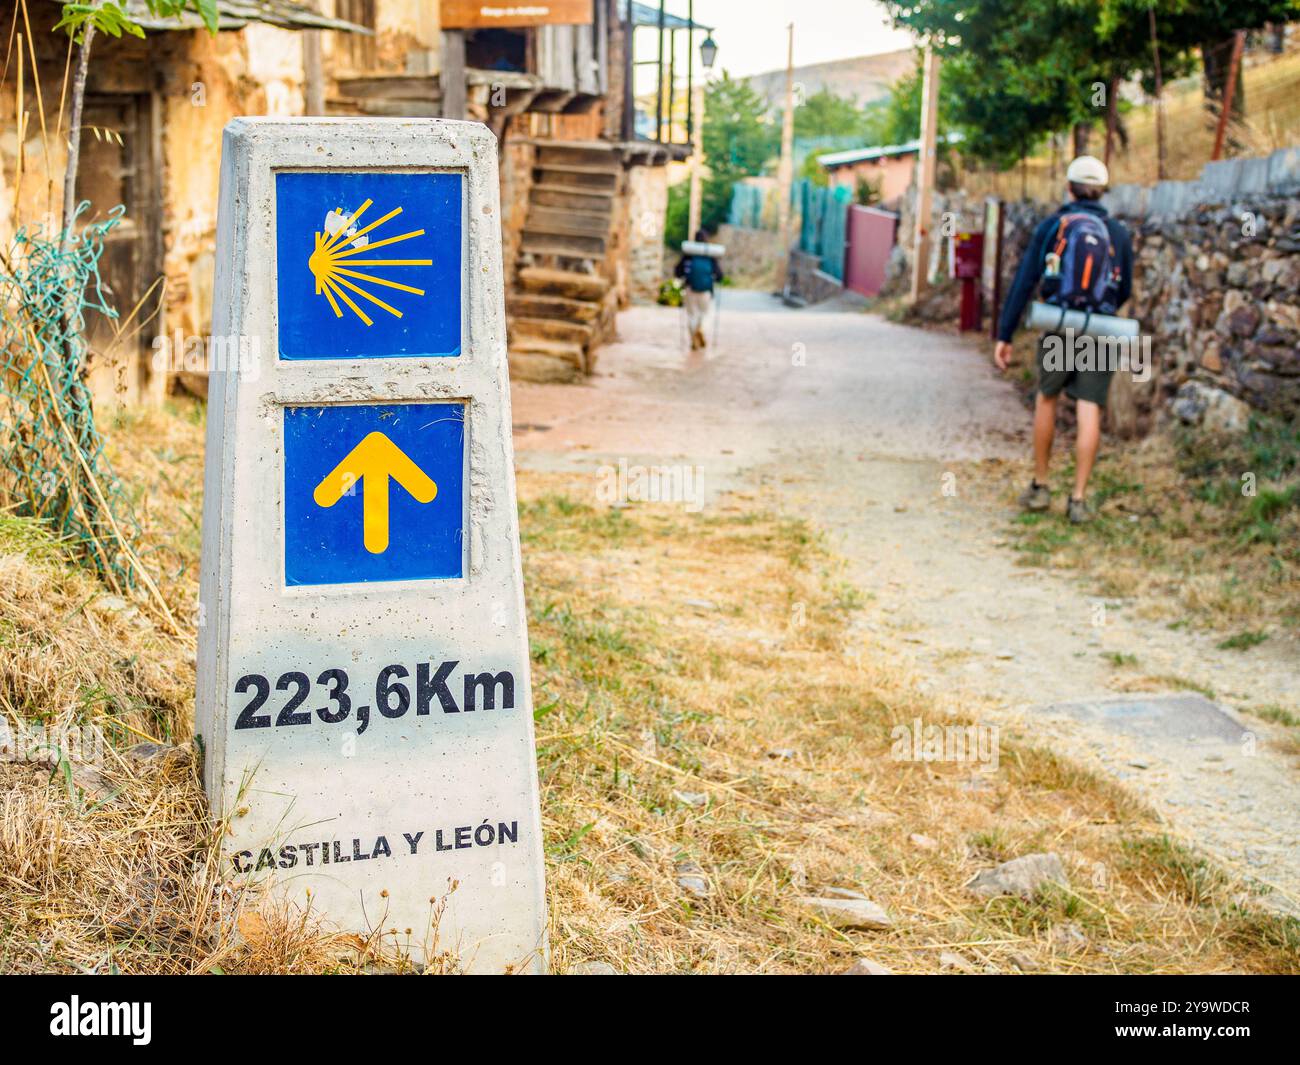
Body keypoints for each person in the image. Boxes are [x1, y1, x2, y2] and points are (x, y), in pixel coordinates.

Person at [993, 155, 1133, 524]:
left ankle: (1040, 487)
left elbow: (1025, 281)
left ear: (1068, 187)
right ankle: (1079, 499)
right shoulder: (1117, 233)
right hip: (1101, 329)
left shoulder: (1053, 225)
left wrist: (1005, 334)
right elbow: (1125, 289)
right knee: (1090, 409)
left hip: (1058, 325)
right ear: (1103, 192)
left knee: (1047, 399)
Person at [675, 230, 724, 350]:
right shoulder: (710, 256)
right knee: (705, 314)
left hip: (690, 289)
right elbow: (719, 275)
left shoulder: (689, 255)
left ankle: (693, 339)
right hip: (706, 291)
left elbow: (678, 271)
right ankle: (700, 329)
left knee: (692, 315)